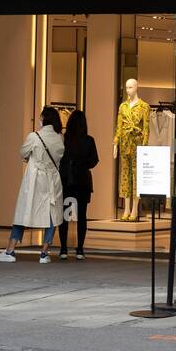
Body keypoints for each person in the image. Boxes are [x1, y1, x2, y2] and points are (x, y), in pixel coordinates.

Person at [0, 107, 65, 264]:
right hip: (53, 179)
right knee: (51, 214)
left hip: (35, 179)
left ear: (44, 119)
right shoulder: (60, 137)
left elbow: (23, 153)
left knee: (24, 211)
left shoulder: (34, 136)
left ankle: (10, 250)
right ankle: (44, 253)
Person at [58, 110, 99, 260]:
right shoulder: (89, 140)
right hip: (83, 181)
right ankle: (80, 249)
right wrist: (83, 164)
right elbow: (94, 160)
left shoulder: (64, 139)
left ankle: (63, 249)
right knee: (82, 215)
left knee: (65, 215)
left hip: (67, 181)